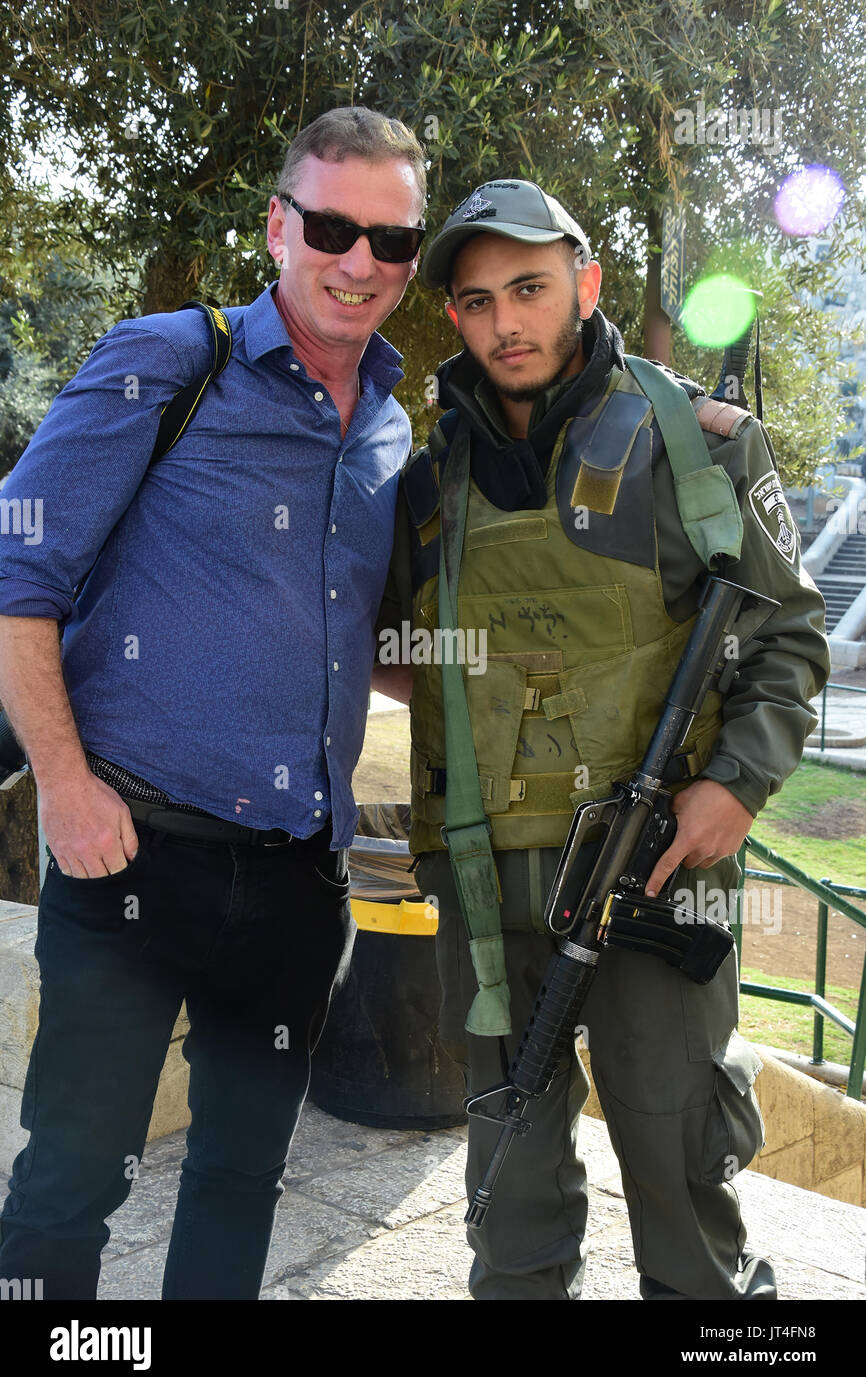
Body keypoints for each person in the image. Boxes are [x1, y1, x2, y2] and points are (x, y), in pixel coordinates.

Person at [374, 178, 830, 1300]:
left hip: (655, 872)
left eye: (527, 289)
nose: (504, 323)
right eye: (475, 303)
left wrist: (733, 785)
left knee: (680, 1164)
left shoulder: (696, 443)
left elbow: (787, 635)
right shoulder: (433, 484)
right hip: (486, 886)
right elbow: (392, 647)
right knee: (510, 1181)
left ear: (582, 282)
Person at [0, 105, 426, 1300]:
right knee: (73, 1178)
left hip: (297, 875)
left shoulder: (390, 428)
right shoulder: (167, 360)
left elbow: (360, 637)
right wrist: (67, 788)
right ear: (279, 225)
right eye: (333, 226)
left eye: (390, 241)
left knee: (242, 1177)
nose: (359, 261)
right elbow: (15, 569)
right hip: (132, 851)